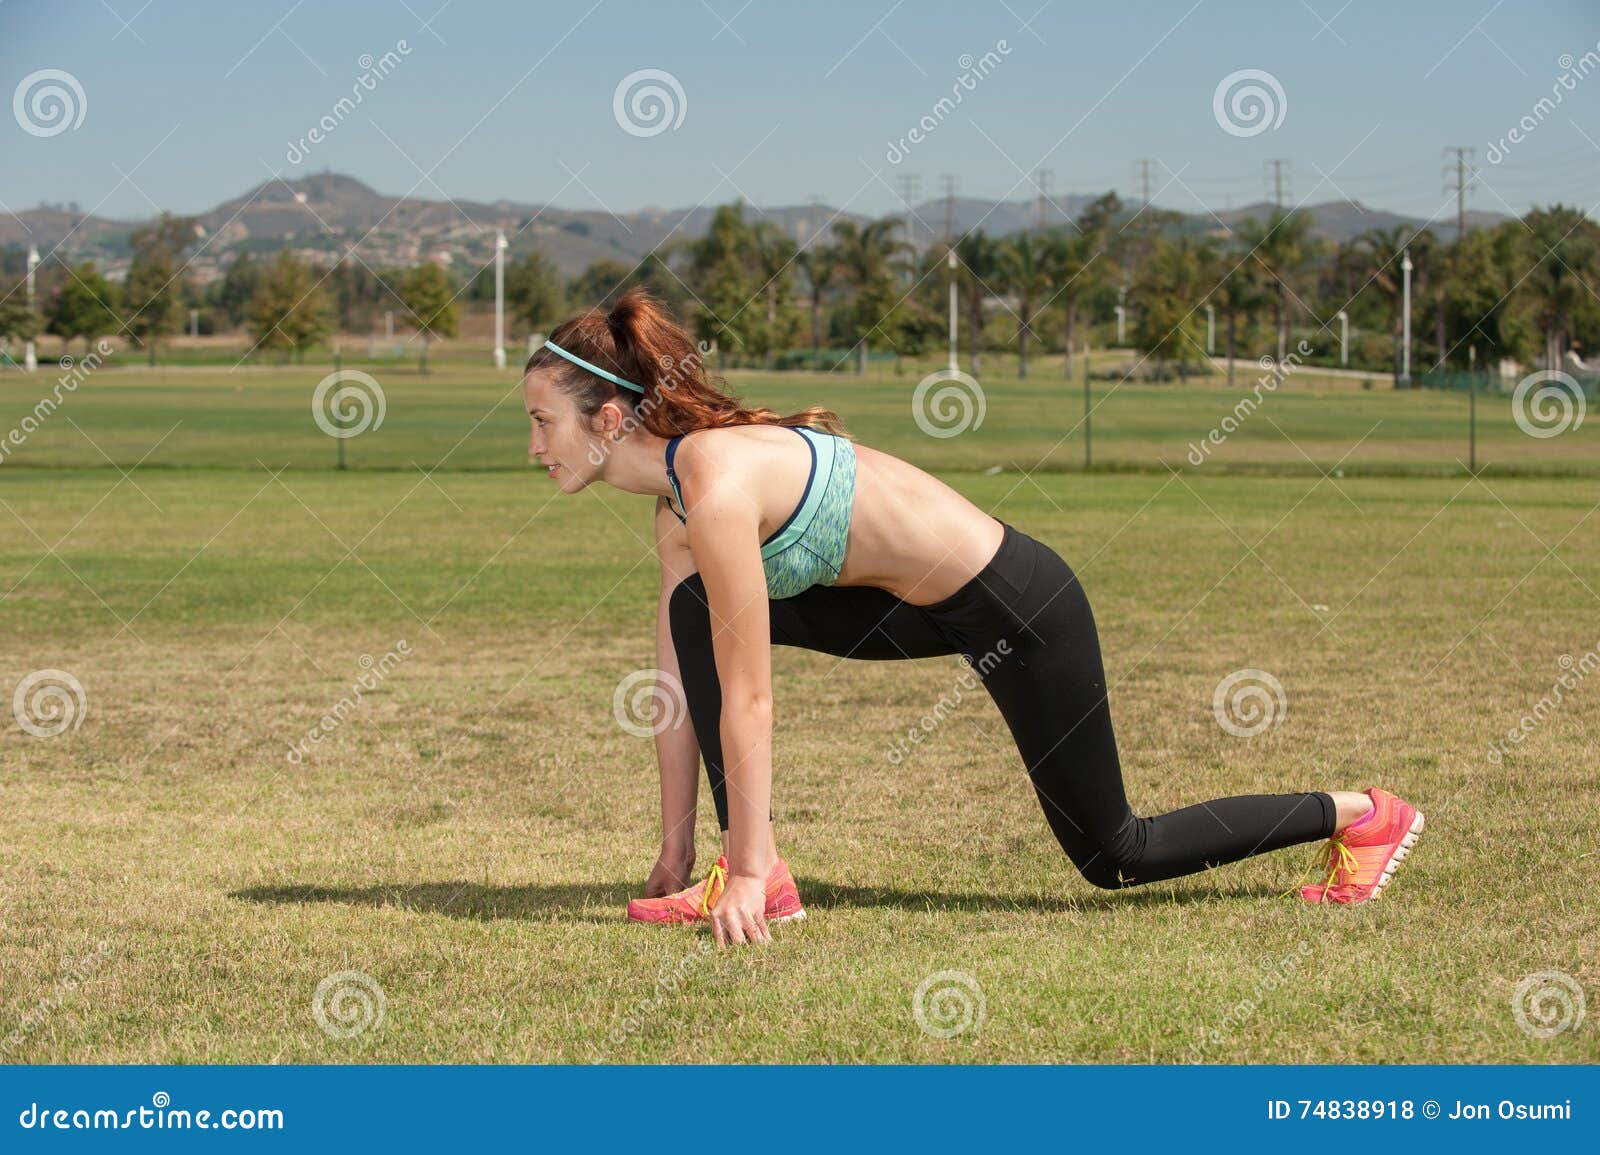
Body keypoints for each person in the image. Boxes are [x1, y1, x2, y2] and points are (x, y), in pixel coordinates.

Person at [521, 288, 1424, 948]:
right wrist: (676, 853)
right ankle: (748, 863)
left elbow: (748, 698)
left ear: (605, 417)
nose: (532, 448)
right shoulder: (675, 515)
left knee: (1116, 851)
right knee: (689, 616)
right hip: (910, 610)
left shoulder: (714, 486)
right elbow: (683, 688)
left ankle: (1362, 815)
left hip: (1015, 605)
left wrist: (747, 872)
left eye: (540, 423)